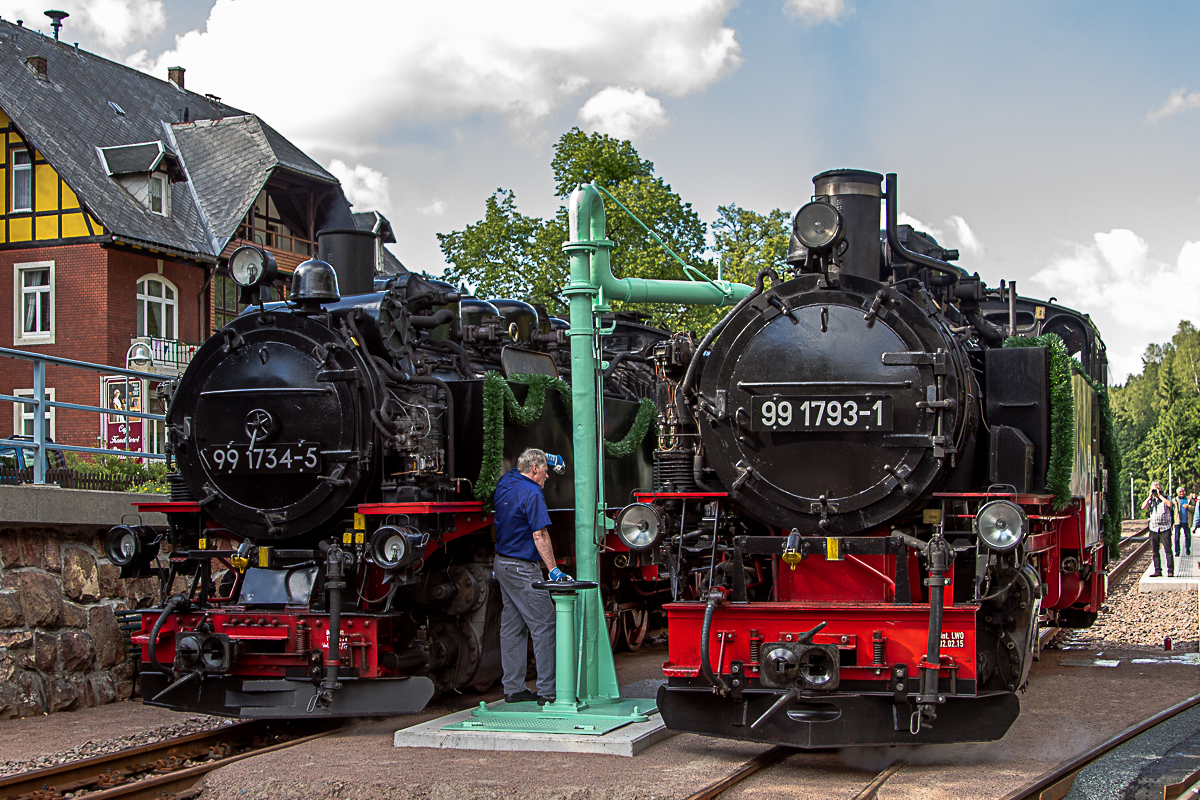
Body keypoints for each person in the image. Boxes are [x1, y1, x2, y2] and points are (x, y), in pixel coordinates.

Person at [492, 448, 571, 704]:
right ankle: (548, 692)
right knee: (545, 625)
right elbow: (540, 535)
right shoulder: (533, 493)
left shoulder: (508, 479)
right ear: (535, 469)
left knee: (512, 627)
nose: (547, 478)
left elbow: (528, 455)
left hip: (502, 564)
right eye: (545, 472)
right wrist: (554, 570)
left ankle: (513, 688)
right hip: (522, 568)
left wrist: (551, 457)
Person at [1141, 481, 1175, 578]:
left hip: (1165, 528)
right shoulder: (1151, 500)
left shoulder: (1166, 498)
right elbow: (1143, 507)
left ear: (1160, 489)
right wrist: (1149, 496)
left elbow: (1170, 505)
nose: (1155, 491)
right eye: (1153, 489)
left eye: (1157, 489)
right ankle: (1157, 570)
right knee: (1155, 551)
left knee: (1168, 550)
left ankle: (1170, 570)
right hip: (1154, 528)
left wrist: (1160, 496)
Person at [1176, 487, 1192, 559]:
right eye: (1180, 492)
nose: (1181, 493)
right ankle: (1177, 551)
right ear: (1177, 493)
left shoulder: (1189, 500)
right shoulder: (1175, 500)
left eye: (1182, 491)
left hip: (1186, 521)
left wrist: (1188, 507)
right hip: (1178, 521)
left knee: (1188, 536)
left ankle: (1187, 548)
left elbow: (1195, 508)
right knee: (1176, 537)